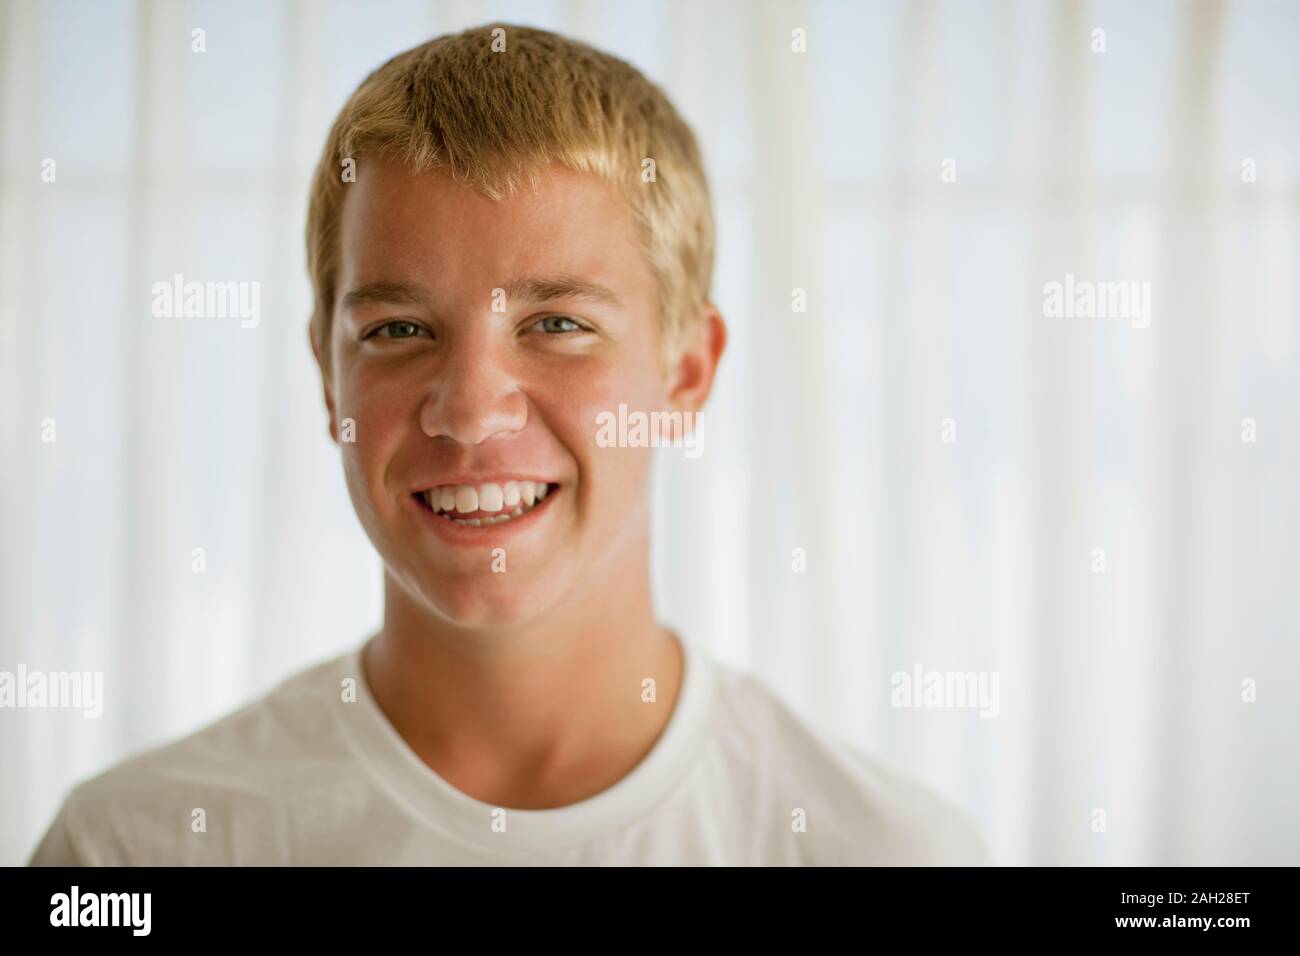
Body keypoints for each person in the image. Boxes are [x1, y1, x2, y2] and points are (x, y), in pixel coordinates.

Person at [29, 22, 988, 866]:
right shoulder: (132, 849)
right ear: (330, 378)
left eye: (558, 323)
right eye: (398, 330)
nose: (472, 409)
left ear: (686, 374)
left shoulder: (885, 853)